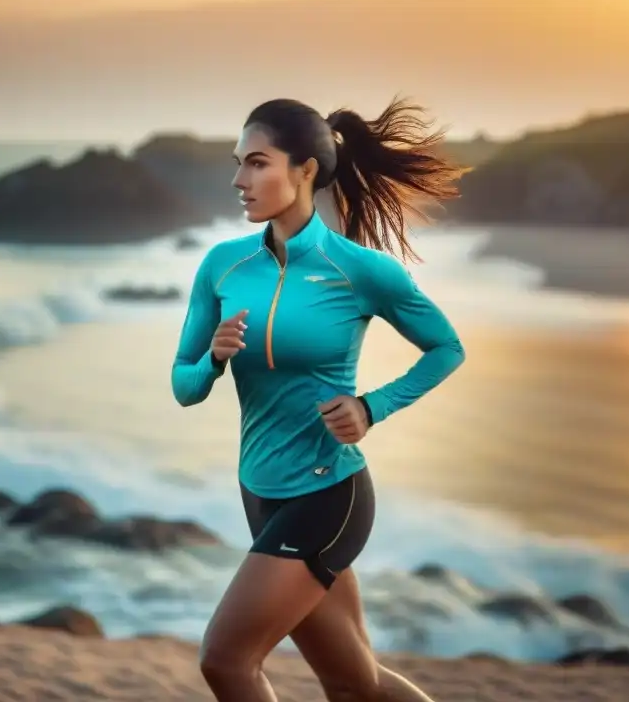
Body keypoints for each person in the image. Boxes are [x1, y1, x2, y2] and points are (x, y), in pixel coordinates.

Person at [171, 96, 466, 701]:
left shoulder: (360, 270)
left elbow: (445, 348)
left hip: (328, 492)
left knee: (226, 660)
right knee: (354, 682)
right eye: (238, 164)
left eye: (257, 163)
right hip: (260, 490)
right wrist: (216, 359)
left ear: (305, 170)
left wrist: (371, 407)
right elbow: (183, 385)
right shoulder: (222, 267)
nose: (239, 180)